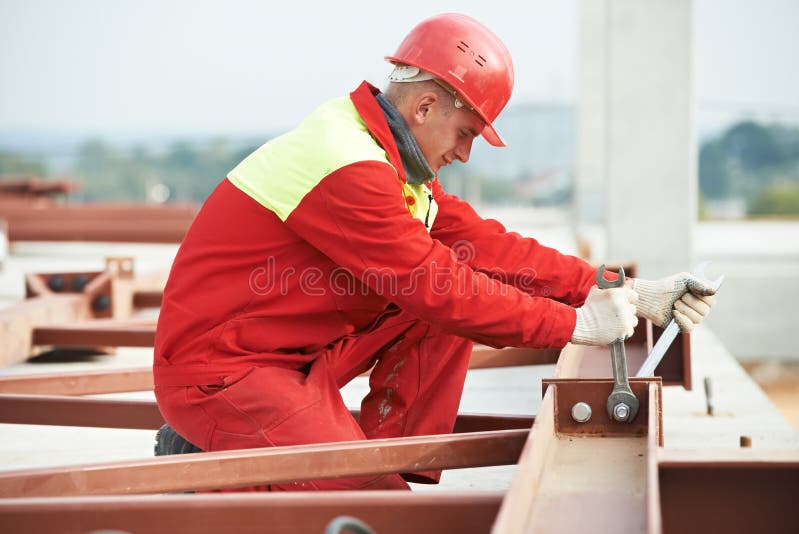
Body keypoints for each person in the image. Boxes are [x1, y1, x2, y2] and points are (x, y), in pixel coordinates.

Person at [153, 13, 716, 491]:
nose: (467, 154)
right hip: (224, 374)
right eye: (466, 133)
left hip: (284, 350)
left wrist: (623, 289)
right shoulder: (348, 166)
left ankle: (392, 461)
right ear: (423, 108)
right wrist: (573, 325)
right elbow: (436, 285)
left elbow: (488, 248)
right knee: (367, 509)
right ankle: (333, 474)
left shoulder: (389, 161)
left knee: (460, 288)